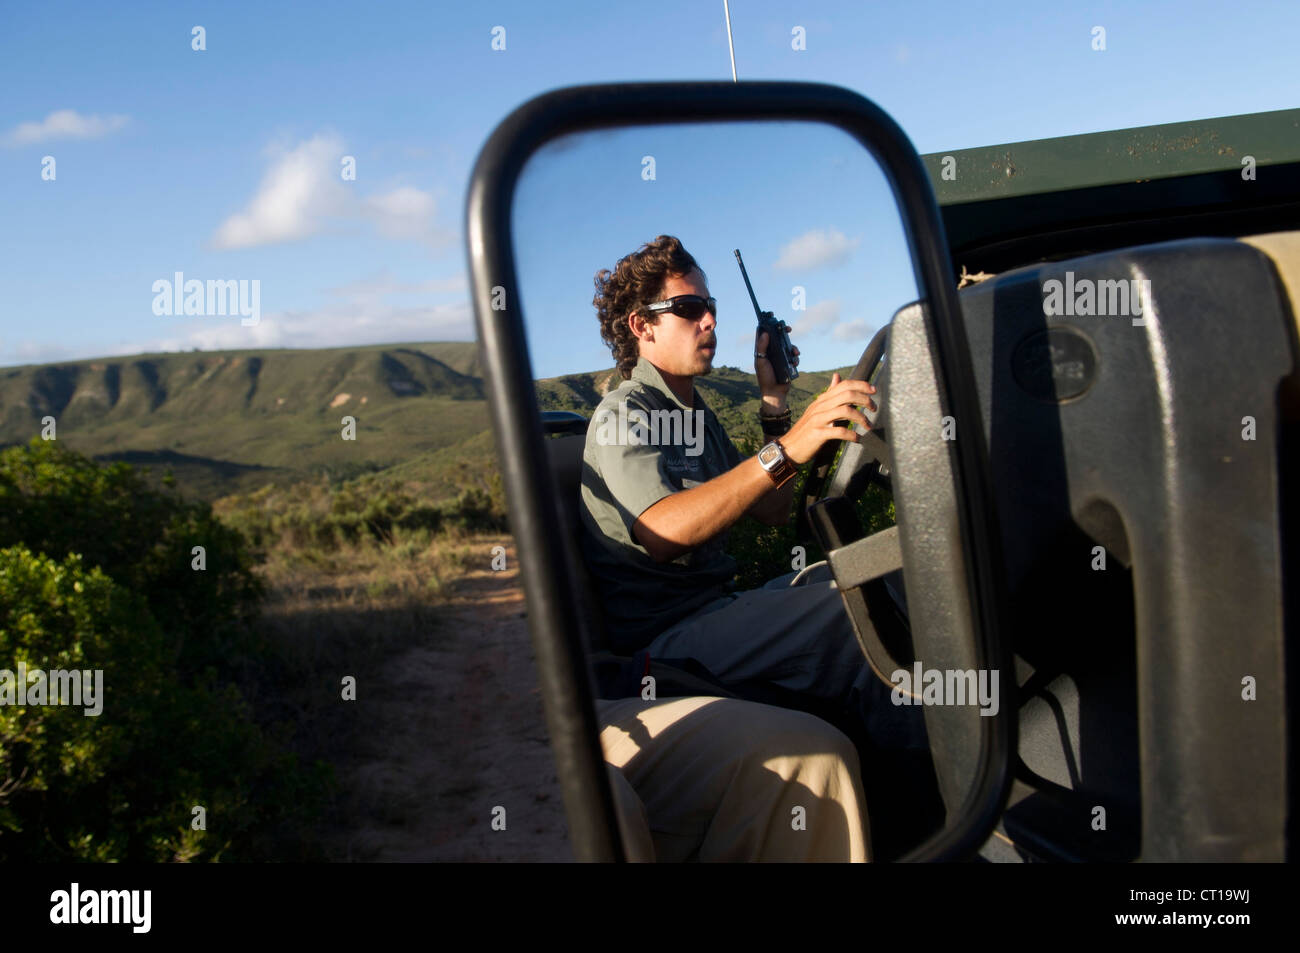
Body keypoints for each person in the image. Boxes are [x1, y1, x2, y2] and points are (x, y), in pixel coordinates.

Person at [579, 234, 917, 744]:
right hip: (666, 640)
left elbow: (775, 510)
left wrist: (774, 404)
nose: (710, 320)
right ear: (641, 325)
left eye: (709, 306)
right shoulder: (624, 414)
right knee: (857, 615)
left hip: (721, 608)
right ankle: (929, 797)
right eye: (689, 308)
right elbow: (661, 532)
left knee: (878, 573)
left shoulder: (699, 420)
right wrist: (789, 447)